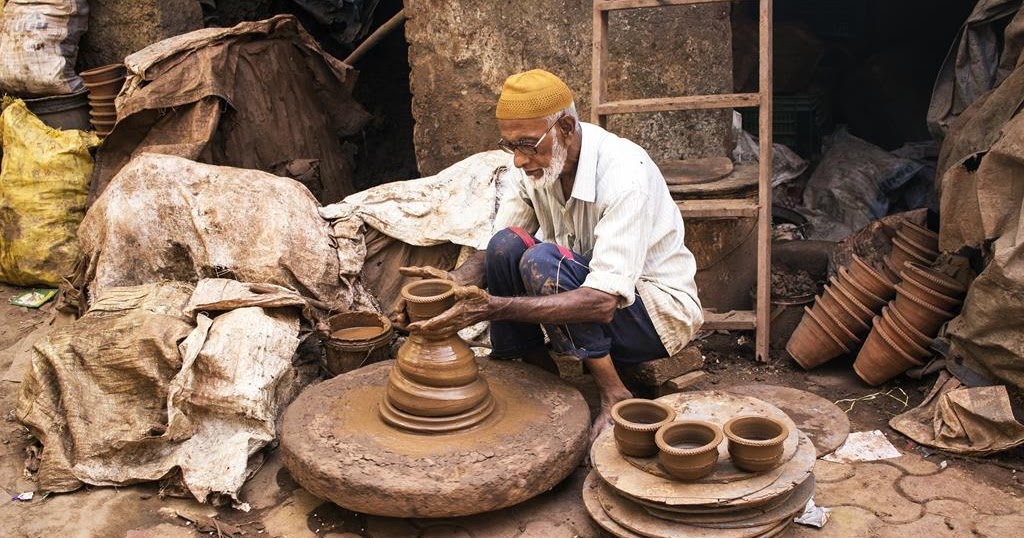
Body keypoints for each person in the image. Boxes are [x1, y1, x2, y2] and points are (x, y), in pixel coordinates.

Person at [397, 68, 703, 441]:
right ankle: (533, 368)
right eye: (510, 146)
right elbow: (497, 246)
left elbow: (602, 302)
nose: (518, 160)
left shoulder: (625, 176)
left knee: (542, 262)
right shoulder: (535, 167)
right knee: (506, 245)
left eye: (527, 145)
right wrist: (455, 282)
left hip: (652, 317)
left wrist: (491, 308)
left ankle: (613, 391)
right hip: (585, 295)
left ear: (566, 128)